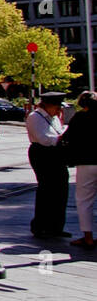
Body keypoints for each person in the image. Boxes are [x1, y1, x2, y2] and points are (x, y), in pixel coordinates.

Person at [27, 91, 71, 239]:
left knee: (61, 188)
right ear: (47, 105)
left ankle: (56, 226)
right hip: (42, 154)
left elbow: (58, 132)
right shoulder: (35, 117)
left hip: (55, 153)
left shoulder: (54, 118)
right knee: (47, 188)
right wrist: (61, 137)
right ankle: (41, 225)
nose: (59, 111)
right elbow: (44, 139)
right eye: (57, 107)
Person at [61, 91, 97, 248]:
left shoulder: (79, 118)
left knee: (84, 200)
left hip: (86, 162)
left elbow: (67, 138)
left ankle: (88, 237)